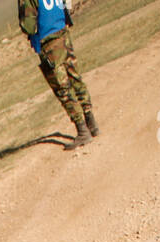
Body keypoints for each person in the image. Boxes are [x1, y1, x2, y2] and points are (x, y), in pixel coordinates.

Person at [18, 0, 99, 146]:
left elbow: (28, 25)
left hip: (49, 42)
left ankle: (82, 131)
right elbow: (64, 5)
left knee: (62, 88)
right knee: (75, 78)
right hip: (63, 33)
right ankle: (91, 121)